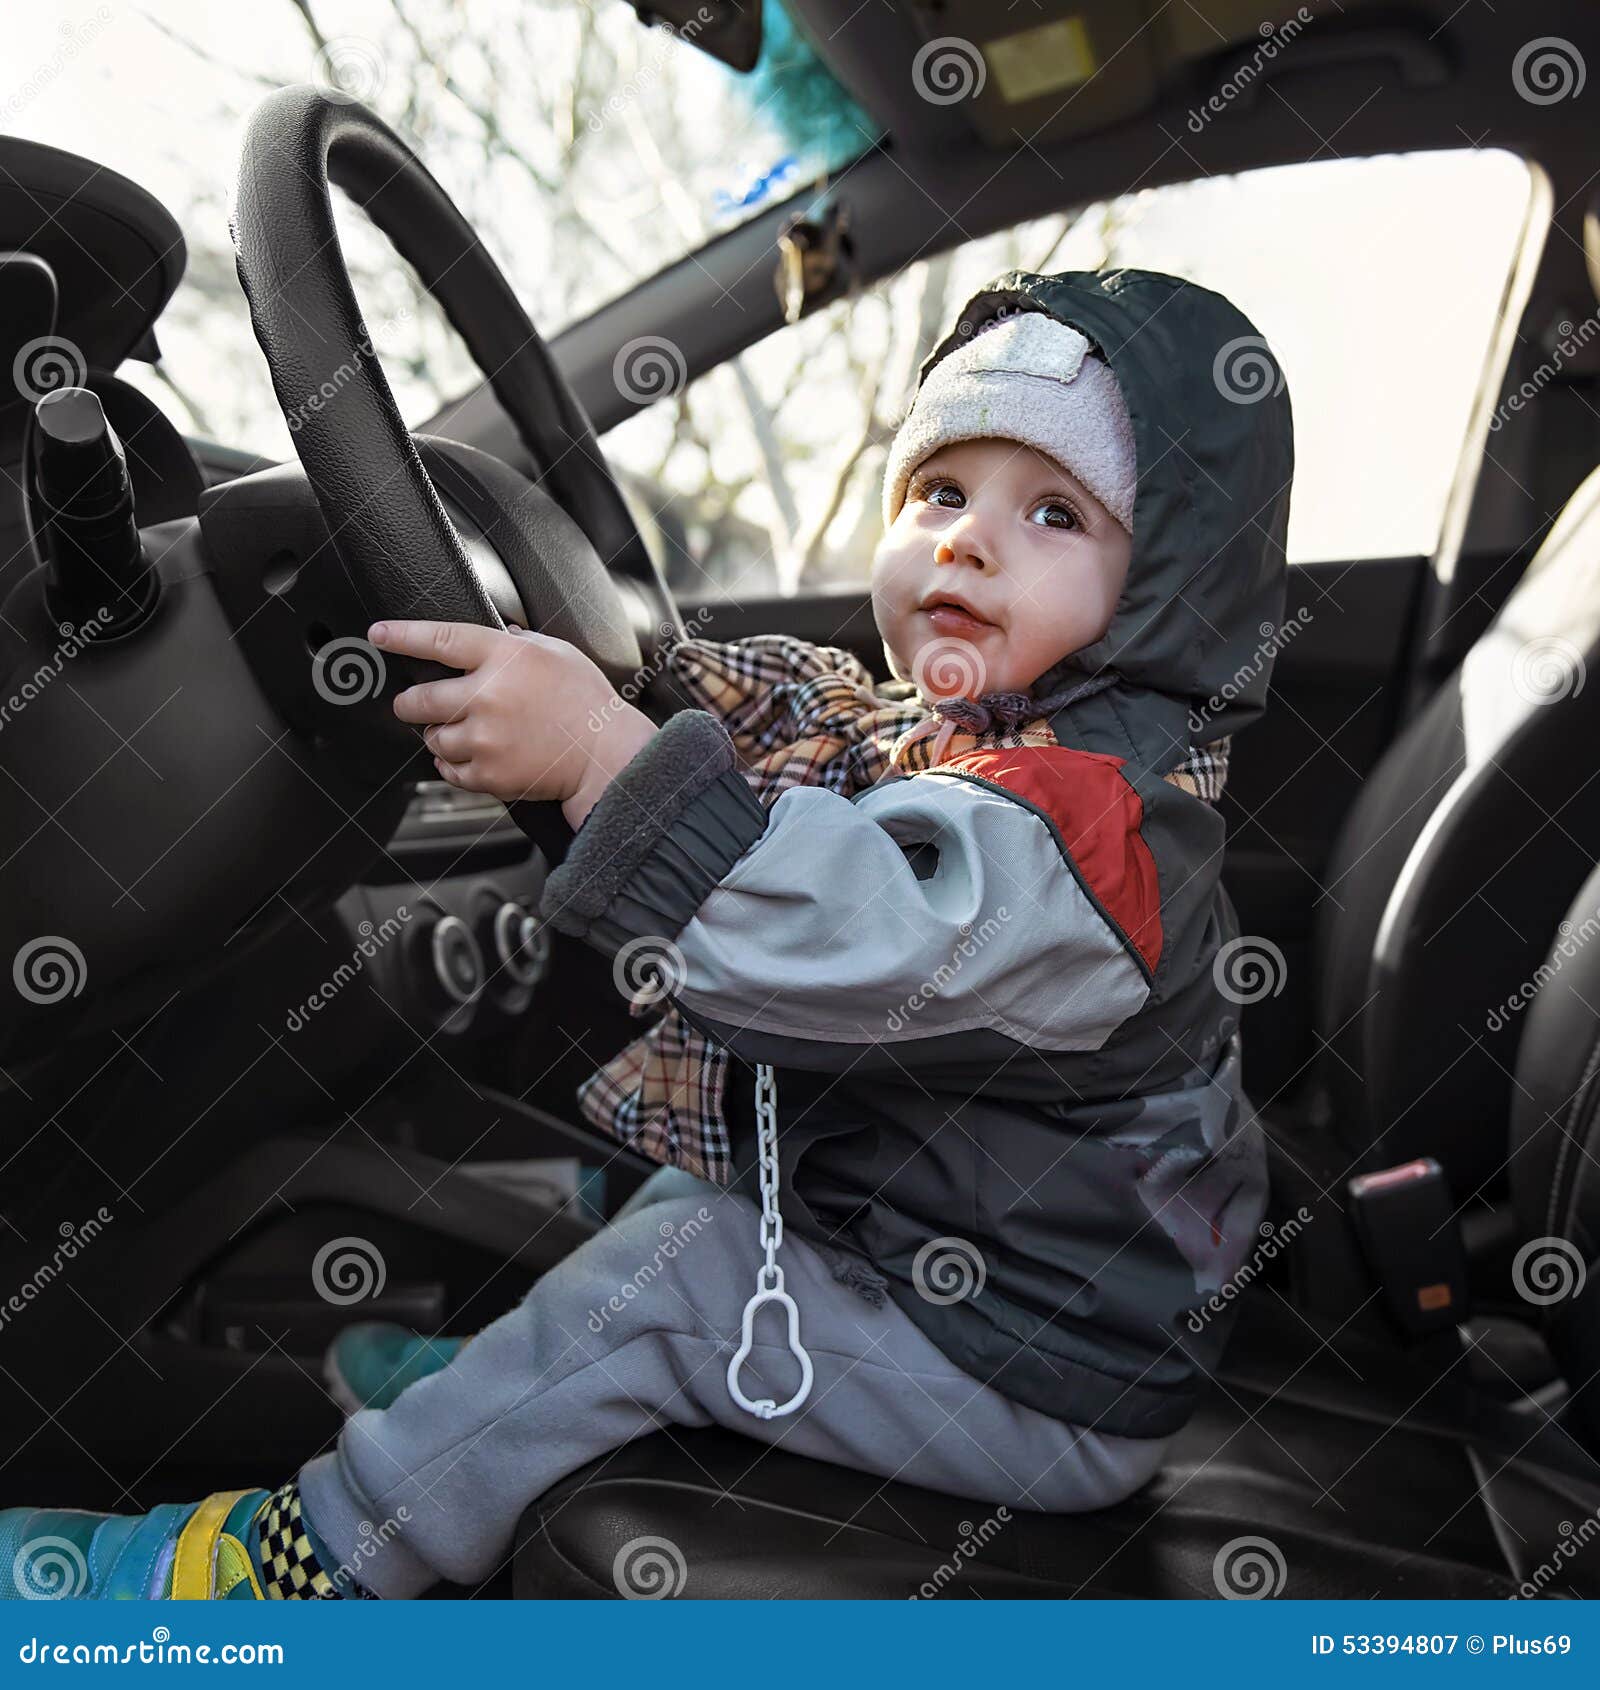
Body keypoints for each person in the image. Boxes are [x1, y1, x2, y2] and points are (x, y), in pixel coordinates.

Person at [0, 266, 1291, 1601]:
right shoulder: (990, 749)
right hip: (984, 1269)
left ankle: (306, 1557)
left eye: (1056, 514)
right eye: (942, 492)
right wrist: (647, 708)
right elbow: (825, 803)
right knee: (685, 1207)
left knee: (686, 1273)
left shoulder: (1093, 836)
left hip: (1044, 1365)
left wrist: (604, 756)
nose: (967, 541)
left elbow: (833, 933)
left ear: (1166, 592)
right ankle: (478, 1404)